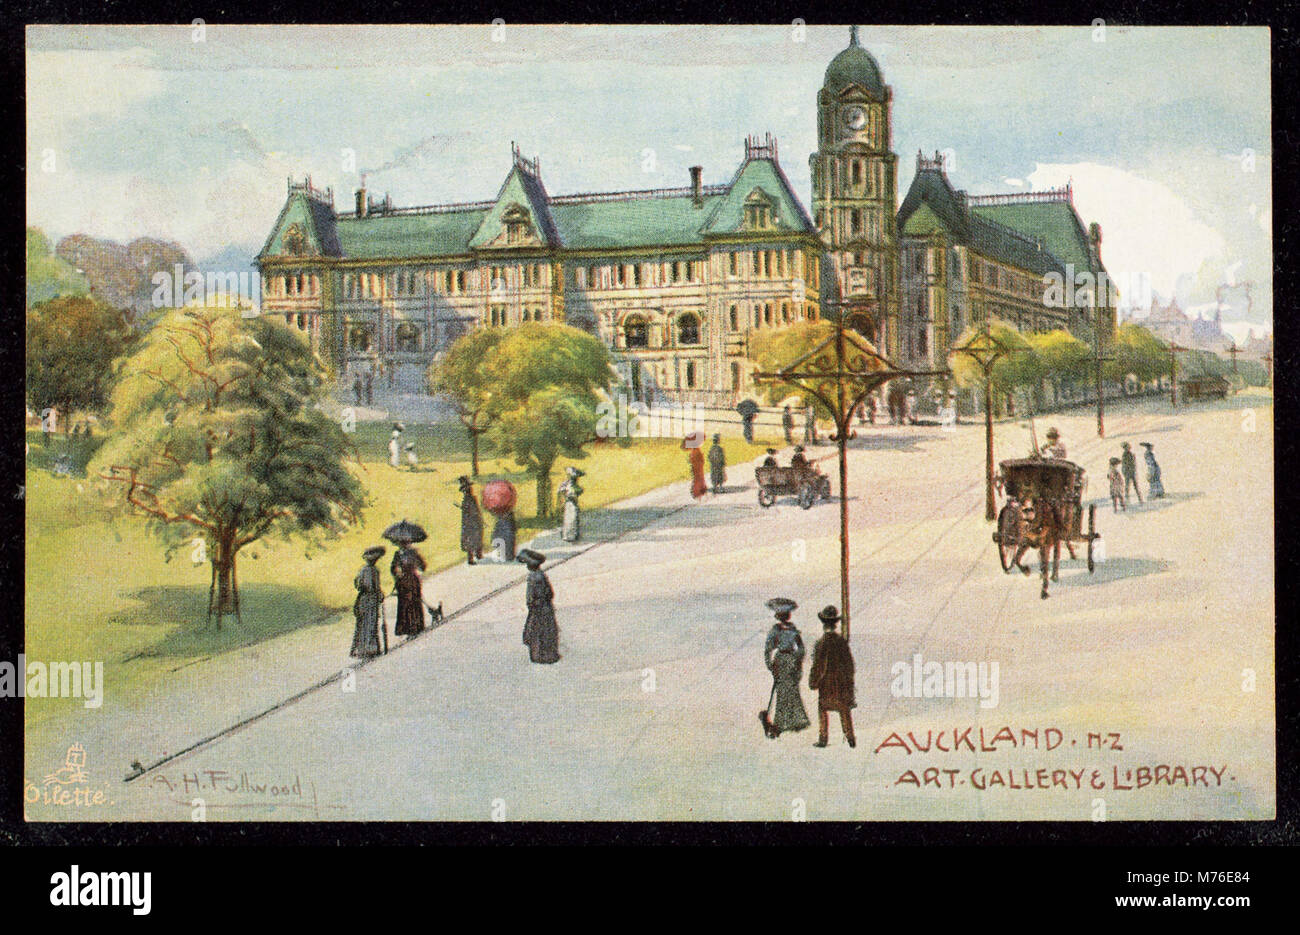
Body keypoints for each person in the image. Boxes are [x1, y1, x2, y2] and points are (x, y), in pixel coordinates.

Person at [760, 598, 810, 738]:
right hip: (782, 661)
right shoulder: (775, 630)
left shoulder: (793, 629)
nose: (785, 617)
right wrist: (770, 665)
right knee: (783, 691)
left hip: (789, 661)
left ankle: (795, 721)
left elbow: (801, 648)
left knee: (792, 690)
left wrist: (798, 660)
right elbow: (768, 649)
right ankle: (782, 722)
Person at [809, 605, 855, 748]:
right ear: (835, 624)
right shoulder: (841, 642)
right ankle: (850, 738)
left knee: (822, 709)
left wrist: (814, 681)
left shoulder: (821, 644)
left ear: (824, 625)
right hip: (840, 685)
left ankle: (823, 739)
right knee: (844, 710)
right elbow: (849, 665)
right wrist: (849, 684)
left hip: (827, 685)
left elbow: (818, 666)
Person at [519, 549, 559, 664]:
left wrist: (532, 605)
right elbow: (550, 593)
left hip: (538, 609)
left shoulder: (534, 578)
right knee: (546, 631)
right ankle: (548, 655)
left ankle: (540, 656)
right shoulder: (542, 575)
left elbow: (531, 597)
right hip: (545, 608)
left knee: (538, 632)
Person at [350, 546, 386, 658]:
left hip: (366, 599)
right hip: (369, 599)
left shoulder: (366, 570)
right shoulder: (371, 570)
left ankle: (366, 648)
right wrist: (379, 594)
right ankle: (369, 648)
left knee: (367, 623)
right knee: (370, 623)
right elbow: (371, 587)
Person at [390, 538, 427, 638]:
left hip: (411, 580)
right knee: (406, 605)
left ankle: (415, 627)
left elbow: (422, 565)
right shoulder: (398, 554)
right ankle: (410, 628)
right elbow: (393, 568)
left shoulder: (412, 553)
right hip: (404, 582)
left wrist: (416, 568)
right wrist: (396, 571)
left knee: (412, 603)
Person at [458, 476, 484, 564]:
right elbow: (474, 510)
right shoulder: (469, 499)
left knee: (473, 538)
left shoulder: (468, 499)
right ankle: (474, 557)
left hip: (470, 522)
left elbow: (473, 510)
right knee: (473, 538)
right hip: (471, 522)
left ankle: (477, 555)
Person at [557, 466, 585, 542]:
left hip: (573, 503)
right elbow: (561, 492)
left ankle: (573, 535)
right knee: (569, 518)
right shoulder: (566, 484)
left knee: (574, 518)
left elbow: (578, 491)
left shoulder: (575, 486)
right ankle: (567, 535)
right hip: (569, 503)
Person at [683, 432, 707, 500]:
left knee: (698, 479)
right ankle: (698, 493)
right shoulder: (696, 451)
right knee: (699, 479)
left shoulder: (694, 451)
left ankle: (698, 493)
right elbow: (699, 460)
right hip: (698, 468)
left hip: (697, 468)